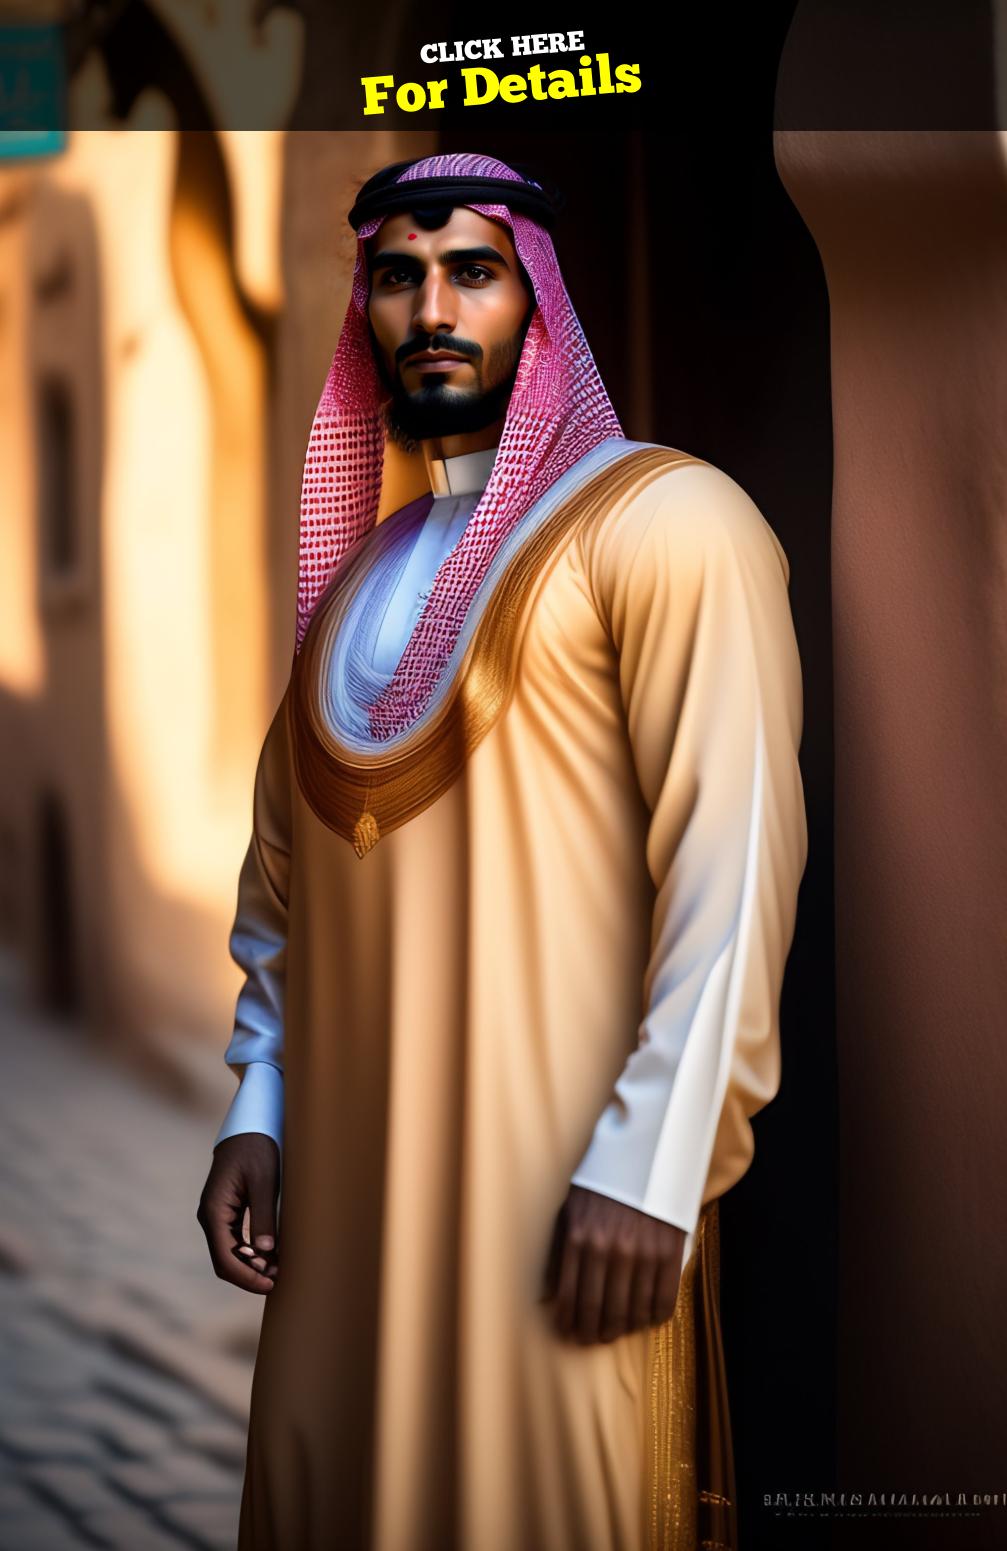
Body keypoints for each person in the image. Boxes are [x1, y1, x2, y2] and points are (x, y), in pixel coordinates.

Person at [196, 151, 808, 1551]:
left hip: (563, 1224)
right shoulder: (353, 583)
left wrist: (653, 1169)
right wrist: (258, 1111)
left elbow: (735, 862)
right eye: (399, 277)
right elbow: (284, 896)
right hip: (344, 1246)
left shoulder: (665, 525)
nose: (432, 308)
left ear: (539, 299)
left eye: (473, 270)